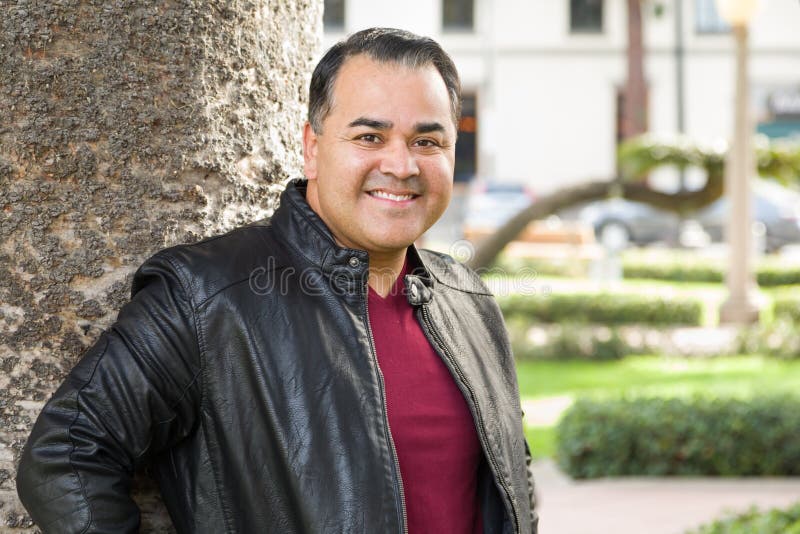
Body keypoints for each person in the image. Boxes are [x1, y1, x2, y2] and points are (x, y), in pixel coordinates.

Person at [17, 28, 538, 533]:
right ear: (312, 147)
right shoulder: (205, 294)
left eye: (427, 140)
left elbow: (514, 480)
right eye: (369, 136)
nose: (401, 165)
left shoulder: (470, 301)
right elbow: (65, 454)